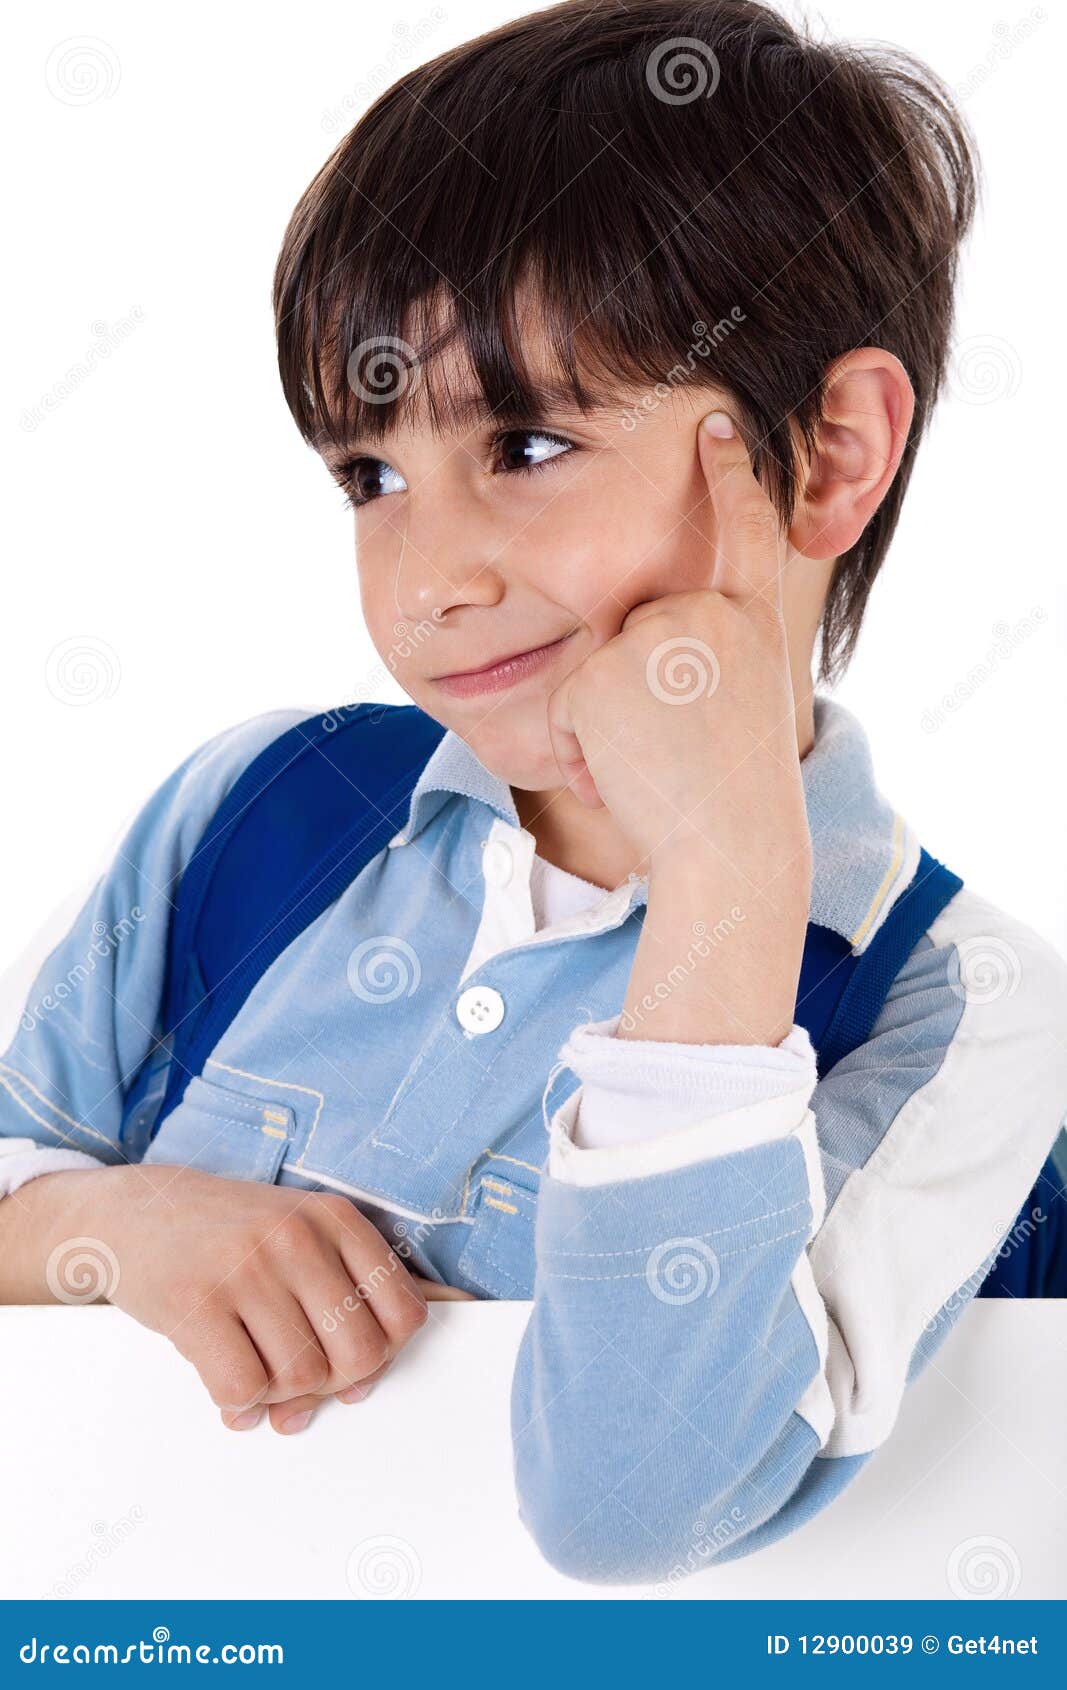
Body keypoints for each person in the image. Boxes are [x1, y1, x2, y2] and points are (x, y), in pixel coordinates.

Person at [2, 0, 1065, 1586]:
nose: (428, 582)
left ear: (833, 453)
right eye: (370, 476)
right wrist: (116, 1235)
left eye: (527, 443)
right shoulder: (262, 811)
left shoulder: (965, 1015)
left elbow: (635, 1504)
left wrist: (722, 887)